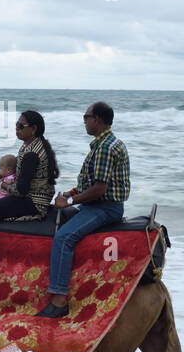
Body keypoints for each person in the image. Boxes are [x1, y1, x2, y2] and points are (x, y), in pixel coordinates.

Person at [37, 101, 130, 318]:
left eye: (86, 117)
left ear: (97, 119)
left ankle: (59, 300)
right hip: (99, 203)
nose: (84, 121)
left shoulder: (105, 148)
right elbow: (93, 180)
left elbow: (99, 189)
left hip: (104, 207)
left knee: (63, 238)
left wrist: (69, 203)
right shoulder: (106, 143)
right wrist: (71, 192)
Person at [0, 110, 59, 287]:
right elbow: (15, 176)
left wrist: (4, 186)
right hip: (31, 196)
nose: (17, 129)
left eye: (21, 126)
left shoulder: (31, 153)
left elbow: (21, 190)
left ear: (34, 129)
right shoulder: (33, 145)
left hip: (32, 201)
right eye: (16, 125)